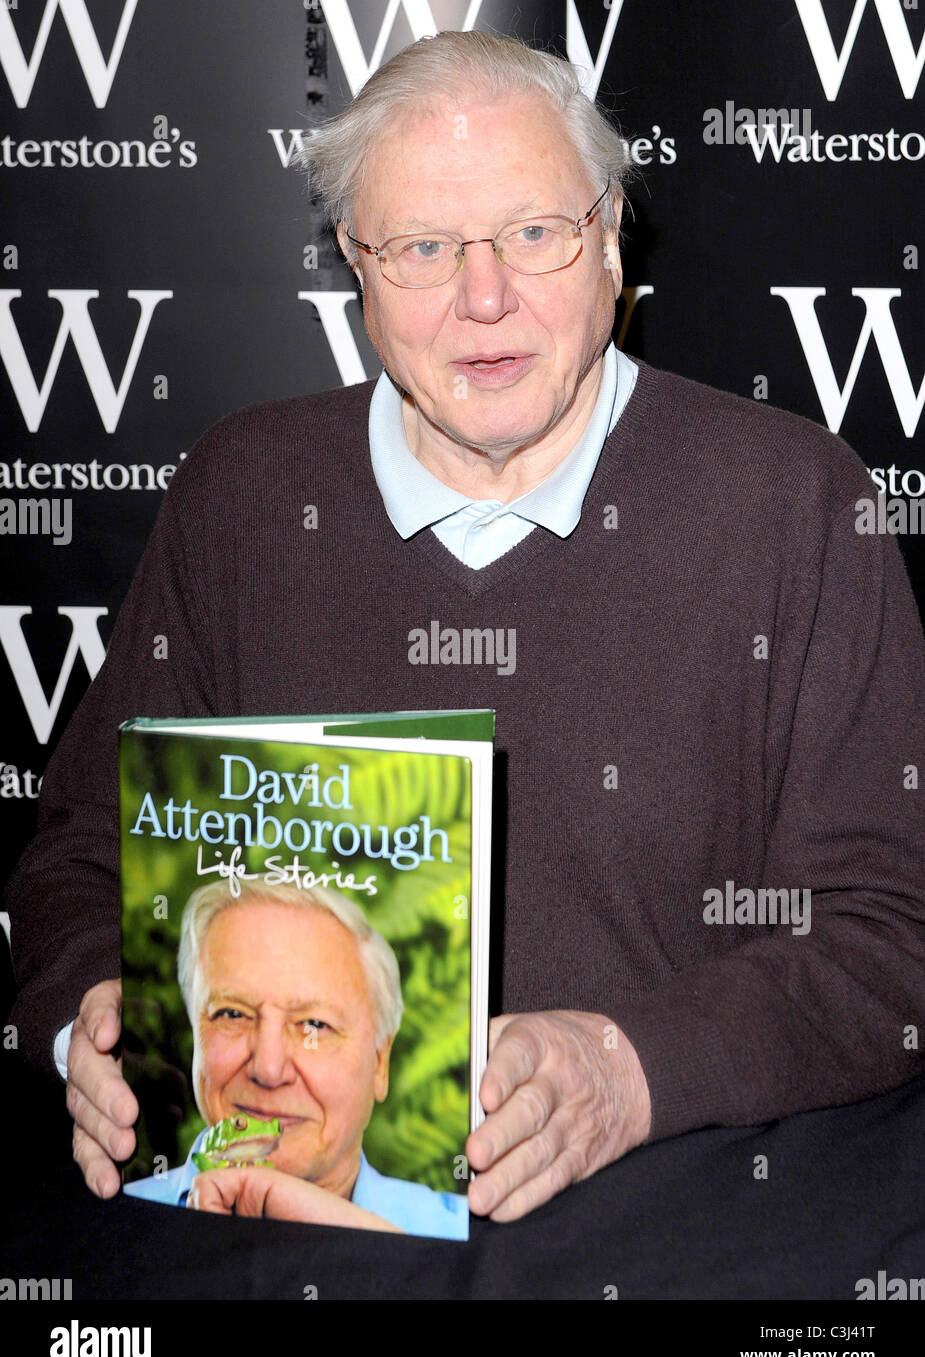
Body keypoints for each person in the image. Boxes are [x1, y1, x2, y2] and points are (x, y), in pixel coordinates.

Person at [7, 31, 924, 1231]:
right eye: (424, 248)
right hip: (267, 1243)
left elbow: (889, 934)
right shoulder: (239, 494)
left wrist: (625, 1069)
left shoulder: (798, 502)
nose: (483, 297)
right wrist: (92, 1016)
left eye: (533, 234)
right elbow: (77, 859)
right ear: (355, 264)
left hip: (683, 1228)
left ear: (608, 241)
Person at [124, 879, 467, 1239]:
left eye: (315, 1024)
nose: (268, 1070)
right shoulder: (117, 1220)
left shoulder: (461, 1236)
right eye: (232, 1014)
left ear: (380, 1063)